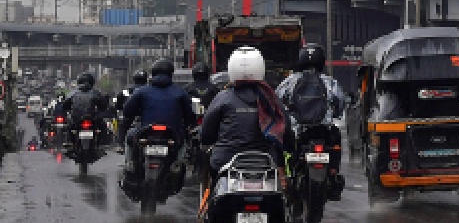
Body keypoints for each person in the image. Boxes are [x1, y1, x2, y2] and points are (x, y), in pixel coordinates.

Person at [200, 47, 294, 192]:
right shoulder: (271, 99)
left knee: (213, 187)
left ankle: (208, 207)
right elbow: (286, 130)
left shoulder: (223, 97)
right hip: (266, 162)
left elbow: (206, 134)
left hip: (225, 161)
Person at [276, 44, 348, 200]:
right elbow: (340, 103)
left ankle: (286, 178)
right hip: (324, 131)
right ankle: (334, 173)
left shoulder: (290, 81)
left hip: (298, 132)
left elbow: (277, 103)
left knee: (284, 148)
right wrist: (333, 114)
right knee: (336, 137)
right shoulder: (330, 82)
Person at [120, 59, 195, 193]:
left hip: (145, 132)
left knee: (129, 137)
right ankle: (177, 164)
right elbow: (189, 116)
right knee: (183, 142)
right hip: (172, 134)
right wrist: (188, 125)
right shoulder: (181, 92)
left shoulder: (141, 91)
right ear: (171, 74)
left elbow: (127, 111)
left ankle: (130, 162)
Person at [63, 72, 110, 142]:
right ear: (92, 82)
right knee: (102, 125)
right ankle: (102, 143)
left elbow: (65, 106)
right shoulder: (96, 93)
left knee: (69, 126)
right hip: (92, 118)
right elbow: (103, 106)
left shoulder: (72, 93)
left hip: (76, 119)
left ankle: (69, 142)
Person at [114, 70, 148, 152]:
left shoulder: (126, 91)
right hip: (146, 117)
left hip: (129, 117)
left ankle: (120, 145)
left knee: (122, 126)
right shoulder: (149, 90)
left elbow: (118, 104)